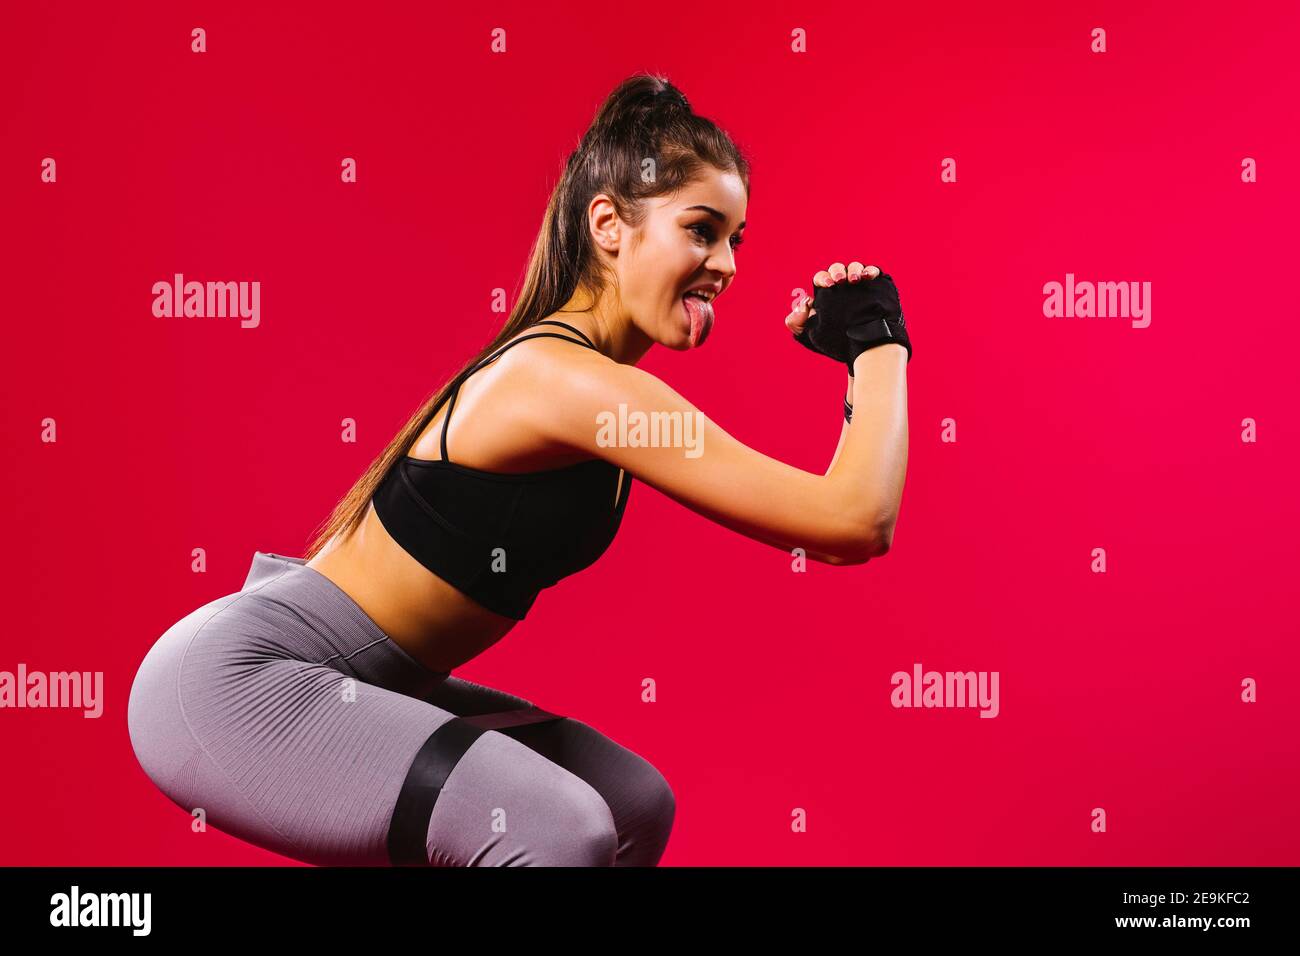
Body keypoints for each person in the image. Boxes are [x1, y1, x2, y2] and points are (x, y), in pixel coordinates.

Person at [126, 71, 909, 867]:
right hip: (243, 685)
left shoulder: (597, 384)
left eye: (737, 239)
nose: (727, 265)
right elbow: (851, 523)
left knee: (628, 804)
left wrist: (859, 366)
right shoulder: (566, 382)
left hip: (371, 682)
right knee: (555, 825)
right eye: (702, 230)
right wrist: (879, 344)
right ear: (608, 223)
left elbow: (847, 515)